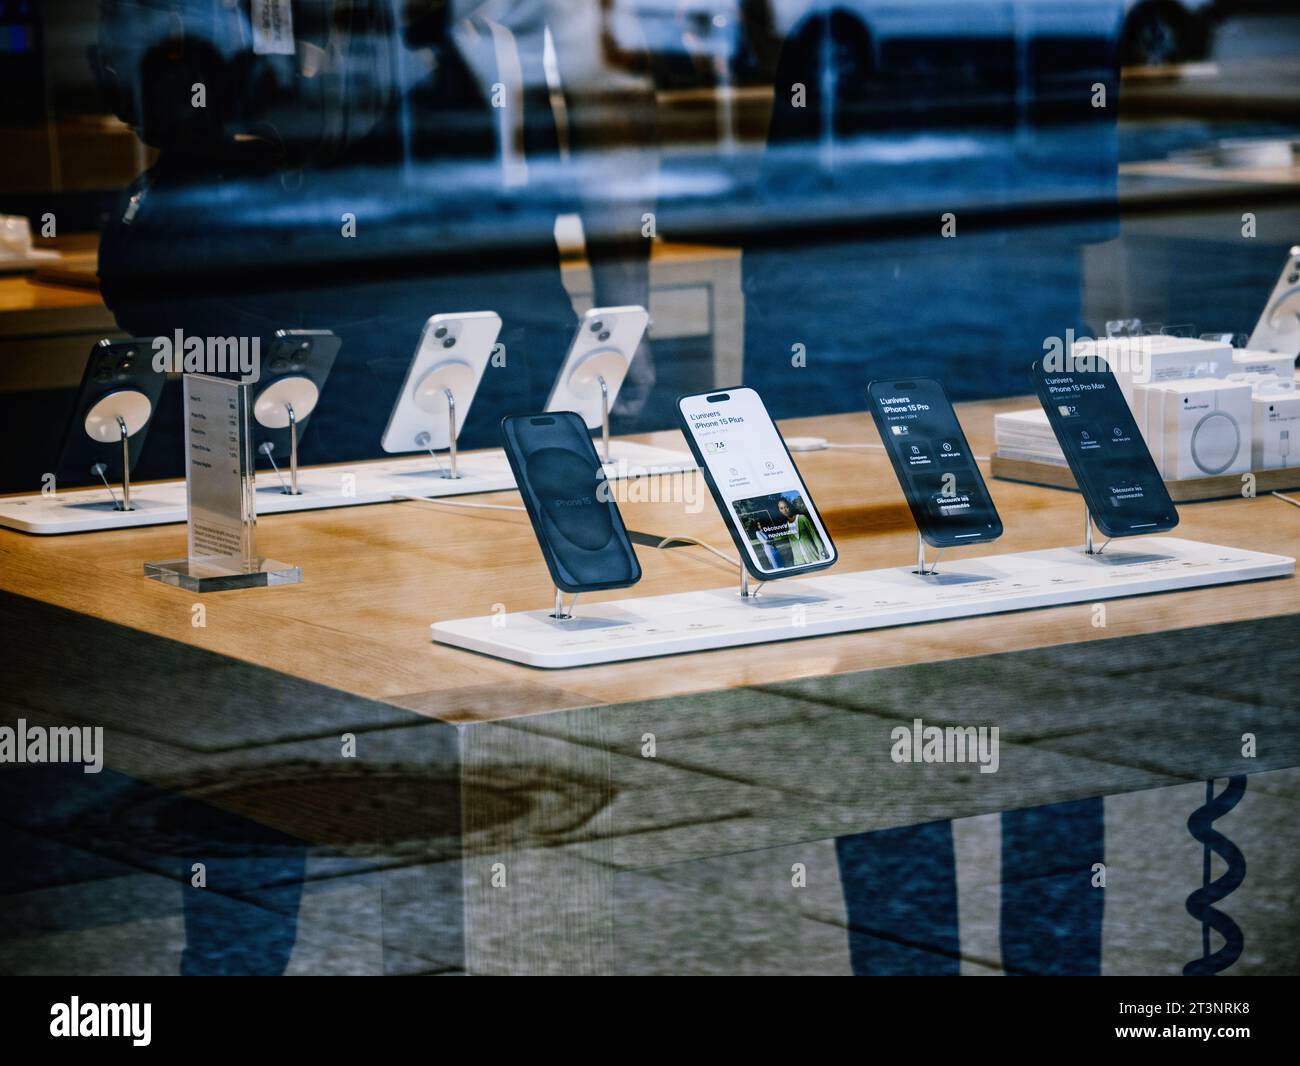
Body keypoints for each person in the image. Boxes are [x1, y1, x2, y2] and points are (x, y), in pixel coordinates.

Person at [778, 495, 825, 564]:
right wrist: (796, 563)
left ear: (789, 506)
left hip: (814, 557)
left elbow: (815, 537)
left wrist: (822, 556)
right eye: (781, 508)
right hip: (799, 561)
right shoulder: (786, 526)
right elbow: (792, 546)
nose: (784, 510)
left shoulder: (802, 518)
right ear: (779, 510)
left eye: (786, 507)